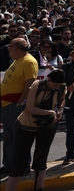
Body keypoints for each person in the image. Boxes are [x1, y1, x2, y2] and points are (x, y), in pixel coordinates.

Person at [4, 70, 66, 191]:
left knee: (41, 160)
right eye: (54, 85)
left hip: (47, 127)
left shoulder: (62, 87)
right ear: (48, 80)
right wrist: (49, 112)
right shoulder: (37, 85)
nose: (56, 88)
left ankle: (39, 188)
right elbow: (30, 107)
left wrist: (60, 111)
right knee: (19, 162)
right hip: (25, 126)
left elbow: (62, 100)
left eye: (59, 86)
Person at [0, 38, 38, 176]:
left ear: (16, 48)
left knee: (19, 138)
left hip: (15, 105)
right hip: (6, 105)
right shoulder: (17, 60)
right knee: (9, 137)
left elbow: (30, 84)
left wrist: (20, 103)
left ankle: (22, 166)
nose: (8, 49)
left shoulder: (29, 62)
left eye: (10, 47)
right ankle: (9, 164)